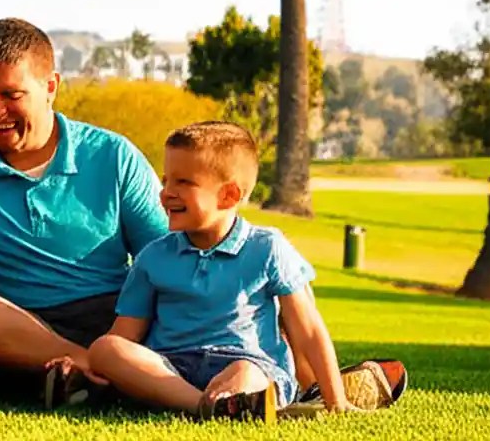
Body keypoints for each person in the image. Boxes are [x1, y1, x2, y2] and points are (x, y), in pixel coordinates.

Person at [0, 17, 169, 406]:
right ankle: (91, 372)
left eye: (11, 94)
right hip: (5, 336)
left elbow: (164, 260)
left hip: (111, 325)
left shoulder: (113, 155)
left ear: (50, 87)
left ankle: (98, 375)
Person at [77, 121, 358, 423]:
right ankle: (205, 405)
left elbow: (309, 330)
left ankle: (234, 399)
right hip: (172, 368)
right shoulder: (153, 258)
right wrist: (90, 363)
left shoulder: (267, 248)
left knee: (248, 374)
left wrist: (336, 400)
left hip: (247, 361)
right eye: (166, 180)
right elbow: (125, 334)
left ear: (228, 196)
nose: (167, 193)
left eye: (183, 182)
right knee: (105, 348)